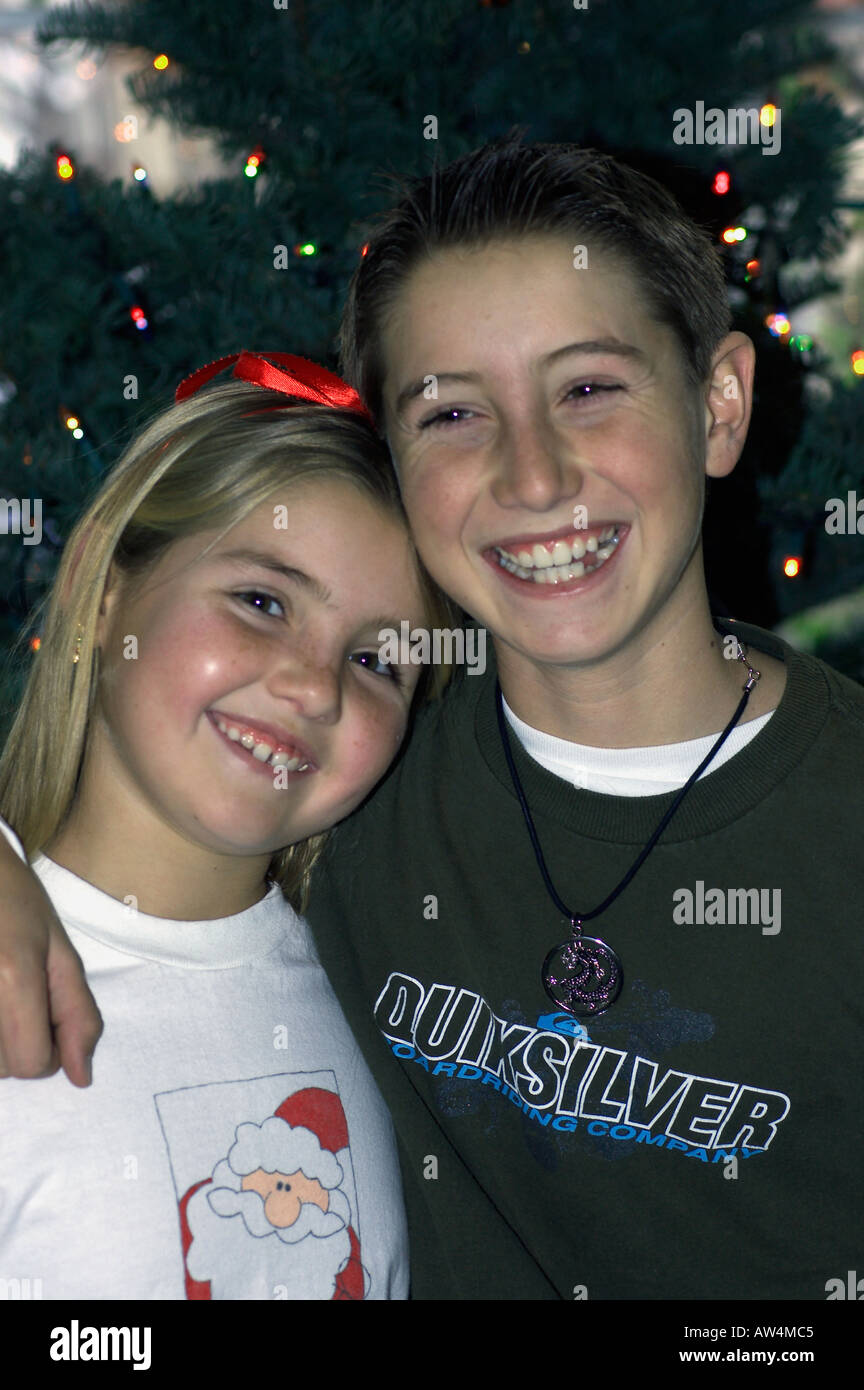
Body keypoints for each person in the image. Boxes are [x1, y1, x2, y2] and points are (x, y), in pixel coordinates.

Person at [1, 137, 863, 1301]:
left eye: (591, 388)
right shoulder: (362, 803)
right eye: (454, 413)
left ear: (720, 404)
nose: (536, 475)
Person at [0, 350, 455, 1300]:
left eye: (378, 661)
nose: (311, 684)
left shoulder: (403, 999)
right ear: (106, 585)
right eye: (262, 601)